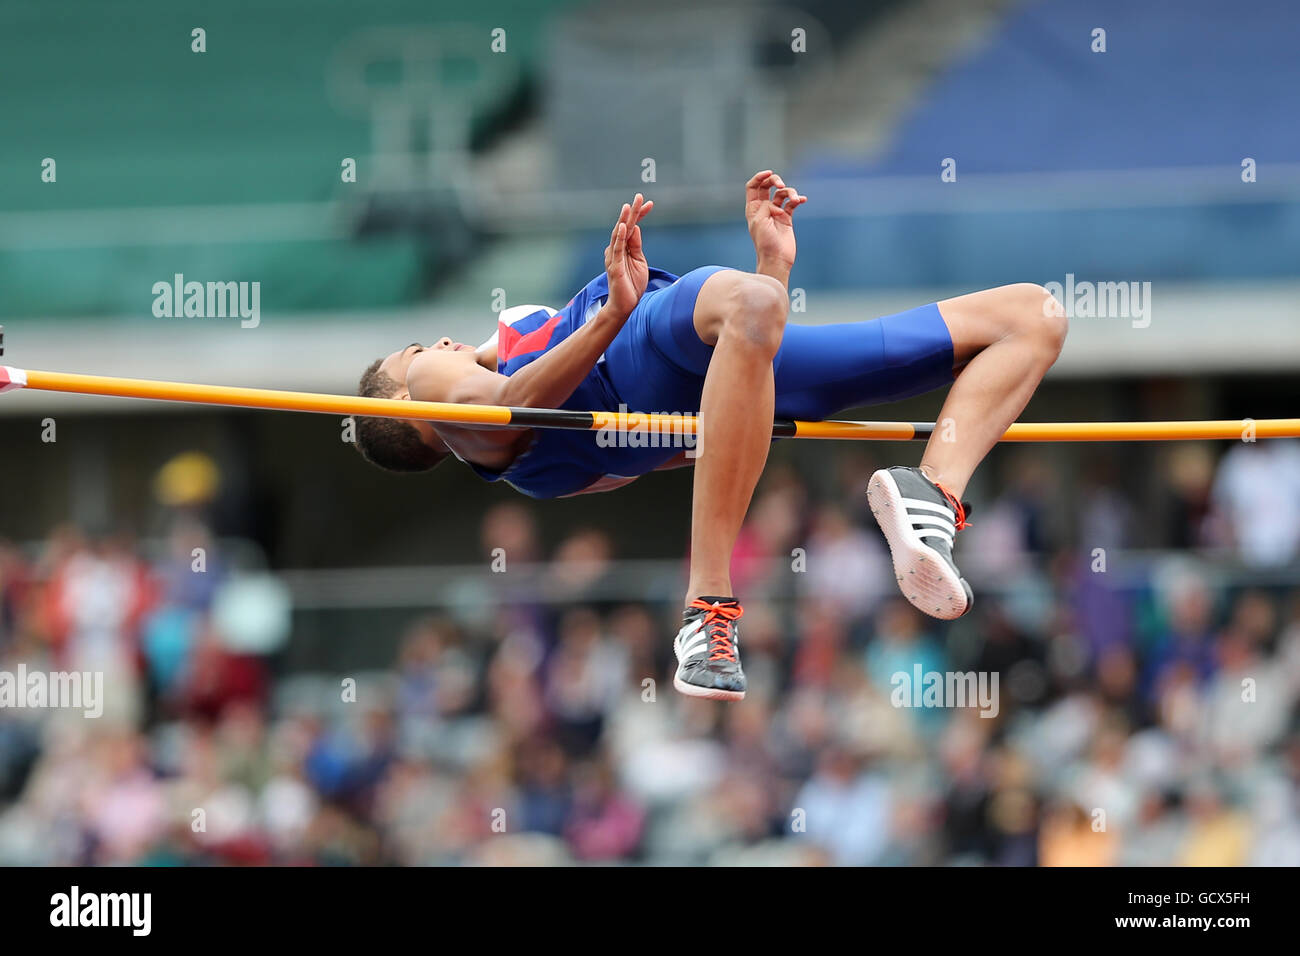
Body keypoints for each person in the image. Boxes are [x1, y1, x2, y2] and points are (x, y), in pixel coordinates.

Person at [354, 171, 1067, 701]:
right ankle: (708, 607)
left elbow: (713, 435)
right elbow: (514, 401)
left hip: (702, 355)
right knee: (1023, 315)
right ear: (415, 413)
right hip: (636, 344)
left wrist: (773, 273)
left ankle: (933, 495)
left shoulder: (532, 455)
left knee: (1033, 316)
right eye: (414, 350)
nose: (437, 342)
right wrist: (611, 315)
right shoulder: (453, 407)